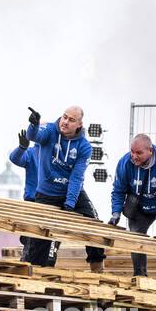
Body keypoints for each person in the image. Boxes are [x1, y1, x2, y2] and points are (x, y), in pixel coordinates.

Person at [25, 105, 107, 272]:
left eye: (71, 120)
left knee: (95, 224)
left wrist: (70, 203)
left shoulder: (84, 147)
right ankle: (35, 272)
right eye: (64, 117)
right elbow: (33, 136)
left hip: (71, 193)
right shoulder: (49, 130)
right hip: (46, 194)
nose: (65, 122)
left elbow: (77, 177)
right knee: (40, 236)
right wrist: (33, 125)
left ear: (79, 124)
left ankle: (97, 269)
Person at [109, 133, 156, 281]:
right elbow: (118, 190)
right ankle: (140, 274)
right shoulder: (125, 163)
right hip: (141, 202)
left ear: (150, 151)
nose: (134, 156)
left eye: (139, 153)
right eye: (132, 152)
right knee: (136, 233)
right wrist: (116, 212)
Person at [8, 125, 42, 259]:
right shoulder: (32, 152)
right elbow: (15, 158)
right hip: (33, 203)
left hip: (51, 203)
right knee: (30, 241)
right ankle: (28, 264)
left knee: (44, 243)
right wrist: (22, 148)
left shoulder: (56, 154)